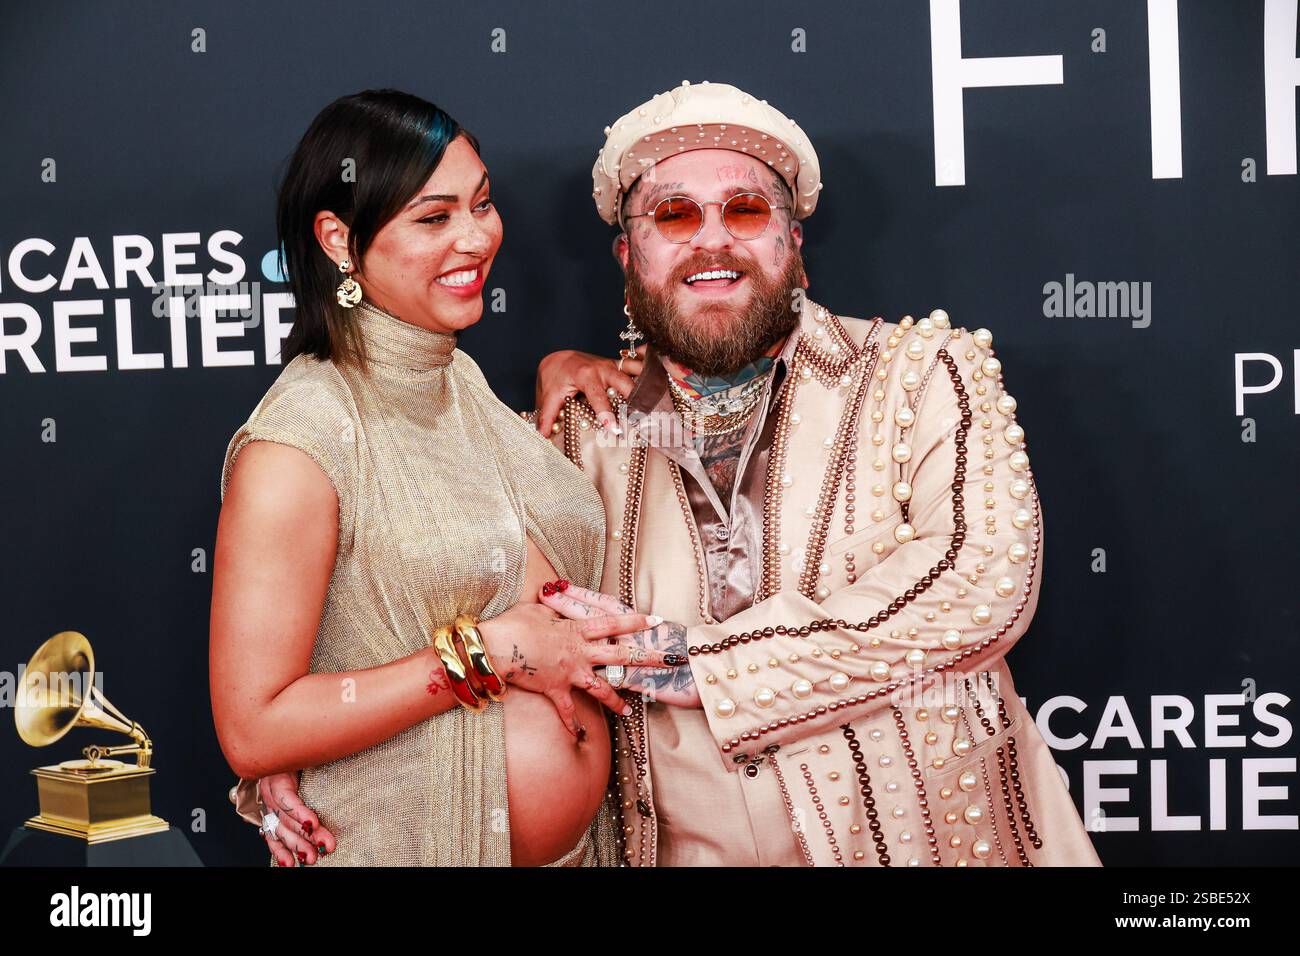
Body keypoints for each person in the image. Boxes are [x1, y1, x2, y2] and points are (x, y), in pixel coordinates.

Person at [254, 80, 1104, 867]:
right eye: (672, 217)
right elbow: (424, 597)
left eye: (744, 209)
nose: (712, 241)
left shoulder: (923, 375)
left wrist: (701, 666)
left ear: (794, 244)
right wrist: (312, 759)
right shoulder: (567, 434)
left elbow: (980, 589)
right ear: (629, 261)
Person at [209, 88, 684, 868]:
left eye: (483, 203)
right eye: (434, 218)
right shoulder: (297, 444)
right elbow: (255, 727)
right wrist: (488, 654)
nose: (475, 238)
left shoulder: (454, 377)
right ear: (338, 239)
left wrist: (563, 365)